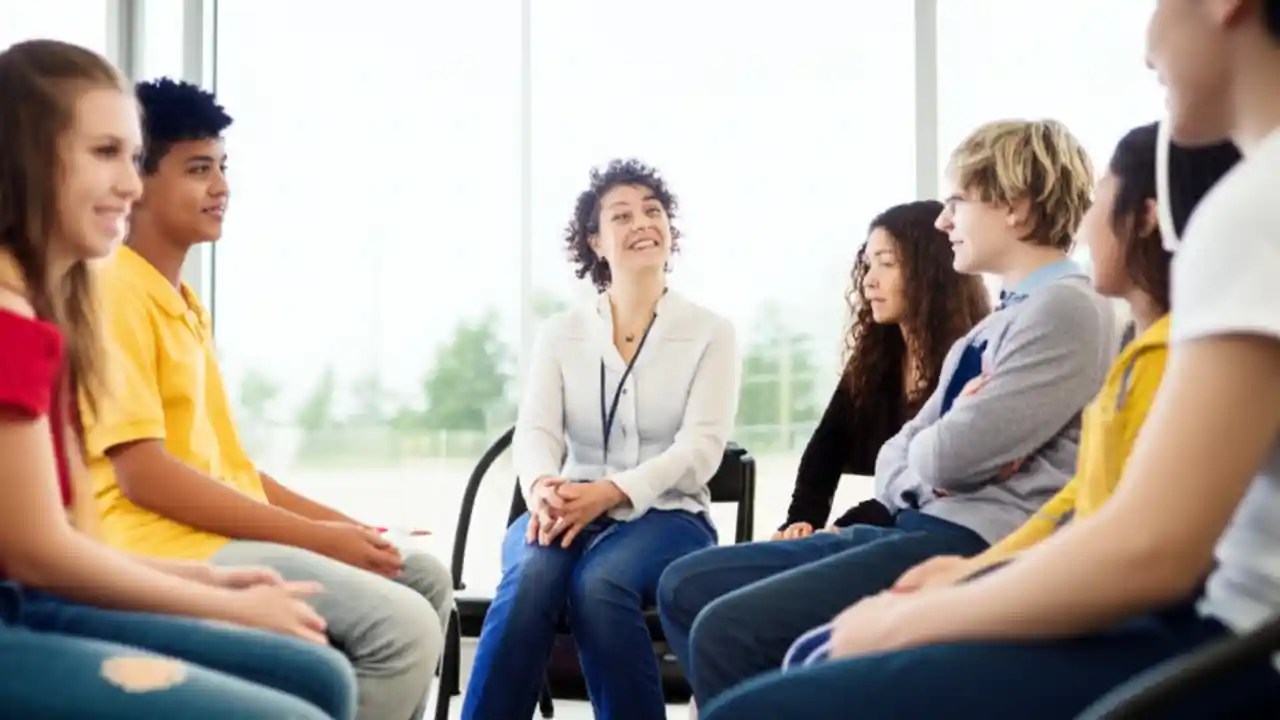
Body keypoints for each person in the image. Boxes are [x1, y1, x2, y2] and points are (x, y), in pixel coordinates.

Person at [699, 0, 1280, 715]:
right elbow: (936, 459)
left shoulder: (1248, 213)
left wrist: (916, 615)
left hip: (1218, 647)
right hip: (1205, 627)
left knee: (758, 688)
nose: (1149, 37)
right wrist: (970, 568)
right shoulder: (1240, 218)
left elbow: (1148, 546)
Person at [658, 118, 1118, 708]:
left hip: (972, 539)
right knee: (686, 584)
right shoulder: (997, 326)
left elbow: (946, 456)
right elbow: (900, 457)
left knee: (727, 629)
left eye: (958, 201)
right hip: (921, 523)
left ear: (1016, 209)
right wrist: (940, 452)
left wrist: (938, 453)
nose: (945, 221)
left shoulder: (1066, 310)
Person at [778, 122, 1243, 674]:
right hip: (991, 549)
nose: (1081, 223)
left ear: (1144, 218)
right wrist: (968, 574)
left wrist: (946, 602)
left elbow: (1123, 544)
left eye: (1098, 201)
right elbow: (1072, 503)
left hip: (1096, 608)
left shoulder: (1132, 340)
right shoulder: (1124, 352)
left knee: (758, 643)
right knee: (794, 647)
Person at [0, 39, 355, 720]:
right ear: (28, 158)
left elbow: (75, 542)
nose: (130, 185)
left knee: (323, 678)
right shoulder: (9, 323)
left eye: (133, 158)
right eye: (106, 154)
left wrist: (208, 581)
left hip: (34, 604)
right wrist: (220, 600)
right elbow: (38, 556)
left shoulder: (53, 322)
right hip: (22, 617)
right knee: (296, 712)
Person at [79, 78, 450, 720]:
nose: (221, 186)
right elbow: (145, 476)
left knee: (420, 574)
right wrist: (317, 539)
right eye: (199, 169)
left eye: (223, 168)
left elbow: (236, 473)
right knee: (403, 626)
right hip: (158, 542)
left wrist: (348, 530)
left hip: (203, 532)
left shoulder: (183, 304)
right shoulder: (114, 291)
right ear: (138, 182)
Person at [462, 159, 740, 720]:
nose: (643, 223)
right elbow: (535, 432)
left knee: (599, 584)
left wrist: (610, 493)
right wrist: (542, 487)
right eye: (622, 215)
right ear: (595, 241)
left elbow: (700, 450)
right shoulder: (561, 332)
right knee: (534, 573)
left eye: (653, 211)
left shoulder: (711, 332)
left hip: (671, 517)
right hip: (567, 508)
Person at [774, 200, 990, 541]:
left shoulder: (976, 358)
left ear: (929, 272)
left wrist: (845, 526)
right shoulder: (877, 359)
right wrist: (801, 521)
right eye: (868, 265)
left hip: (939, 533)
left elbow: (926, 487)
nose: (869, 281)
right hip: (885, 528)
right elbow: (827, 446)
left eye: (887, 263)